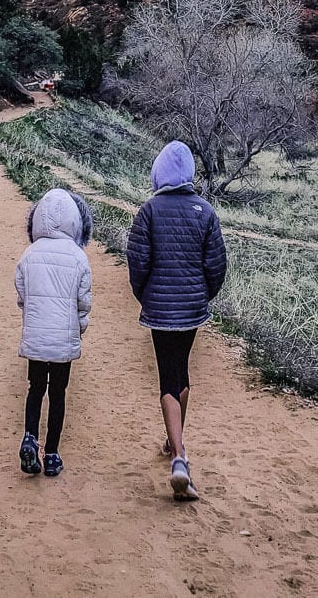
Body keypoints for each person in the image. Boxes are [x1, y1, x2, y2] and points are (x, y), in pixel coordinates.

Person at [126, 140, 227, 501]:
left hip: (160, 309)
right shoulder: (205, 211)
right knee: (181, 372)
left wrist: (147, 295)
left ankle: (179, 457)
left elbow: (137, 263)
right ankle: (174, 442)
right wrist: (201, 296)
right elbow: (216, 267)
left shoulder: (149, 211)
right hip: (191, 309)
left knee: (167, 376)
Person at [15, 187, 92, 477]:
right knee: (58, 393)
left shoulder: (29, 253)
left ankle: (29, 438)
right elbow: (83, 302)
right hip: (63, 339)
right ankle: (52, 454)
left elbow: (22, 294)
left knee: (36, 388)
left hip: (36, 336)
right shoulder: (78, 257)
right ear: (75, 221)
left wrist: (31, 317)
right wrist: (79, 329)